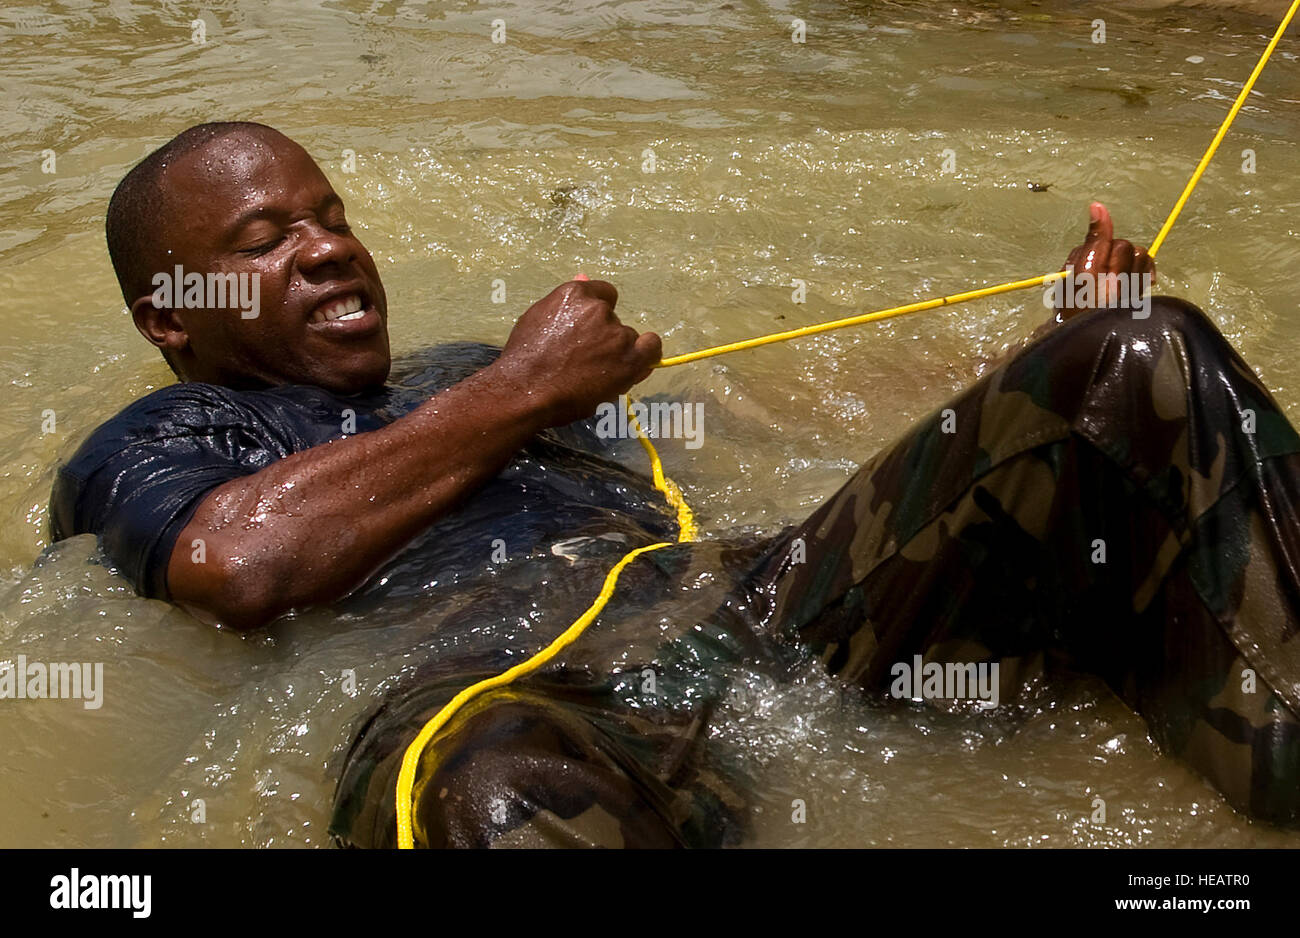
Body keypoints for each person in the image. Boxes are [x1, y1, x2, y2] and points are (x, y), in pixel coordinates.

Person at [51, 121, 1300, 848]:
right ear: (173, 313)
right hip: (522, 689)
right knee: (492, 794)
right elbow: (237, 567)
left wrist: (1046, 336)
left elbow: (798, 402)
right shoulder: (162, 434)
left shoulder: (478, 370)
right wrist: (524, 391)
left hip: (759, 611)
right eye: (266, 243)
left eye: (329, 214)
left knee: (1137, 359)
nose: (327, 245)